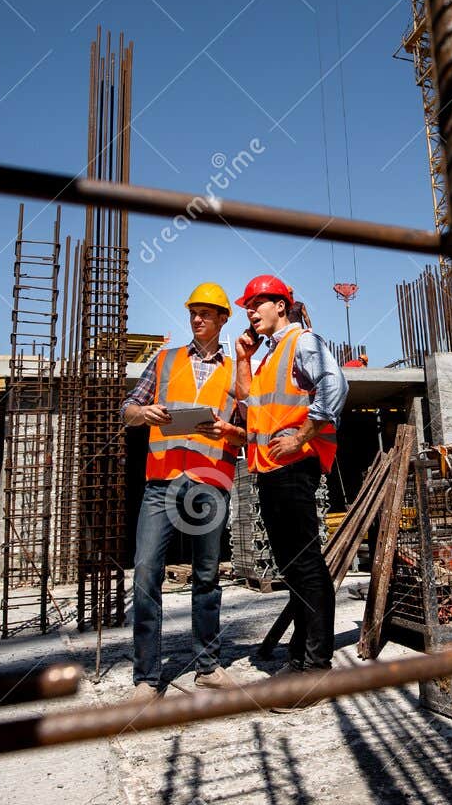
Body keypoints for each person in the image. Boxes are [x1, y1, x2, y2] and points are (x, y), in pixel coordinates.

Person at [121, 283, 246, 700]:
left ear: (223, 319)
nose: (198, 318)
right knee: (145, 575)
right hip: (161, 483)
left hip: (211, 483)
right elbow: (128, 410)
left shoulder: (237, 372)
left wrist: (228, 429)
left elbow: (253, 433)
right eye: (194, 311)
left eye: (207, 312)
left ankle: (208, 667)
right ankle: (146, 678)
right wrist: (144, 412)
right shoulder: (165, 359)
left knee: (207, 577)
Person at [233, 274, 348, 710]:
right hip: (271, 471)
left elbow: (336, 385)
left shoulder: (303, 341)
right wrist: (242, 358)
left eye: (258, 303)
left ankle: (315, 668)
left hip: (295, 466)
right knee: (293, 567)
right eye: (248, 305)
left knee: (305, 564)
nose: (250, 311)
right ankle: (298, 660)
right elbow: (250, 403)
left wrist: (303, 435)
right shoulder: (268, 355)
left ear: (282, 305)